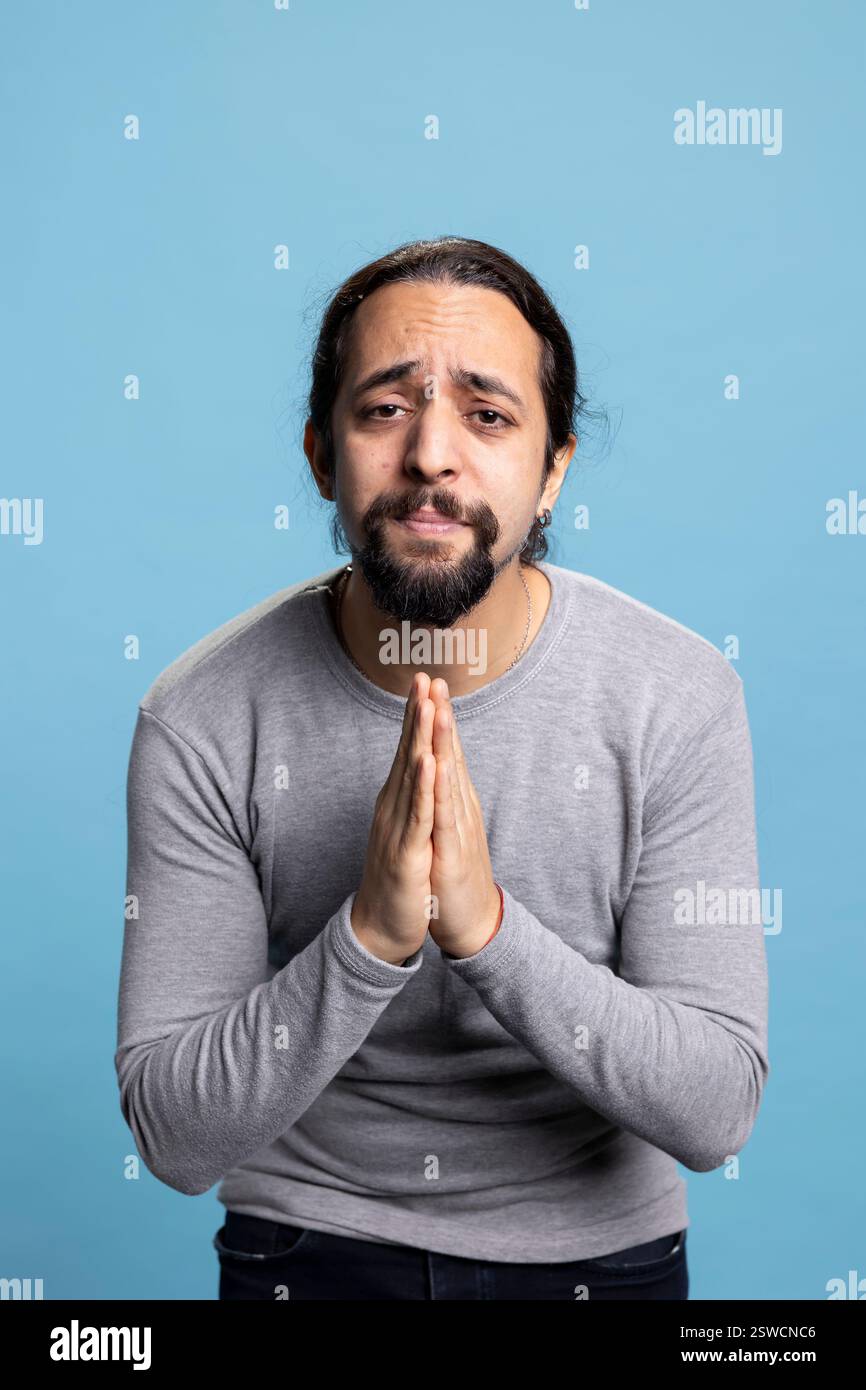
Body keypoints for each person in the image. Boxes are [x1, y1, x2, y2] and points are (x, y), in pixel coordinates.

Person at [115, 236, 769, 1301]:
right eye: (382, 409)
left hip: (599, 1266)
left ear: (553, 464)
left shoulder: (677, 696)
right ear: (321, 455)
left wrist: (489, 932)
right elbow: (178, 1138)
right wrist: (370, 935)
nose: (430, 456)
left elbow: (714, 1110)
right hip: (302, 1253)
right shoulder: (202, 716)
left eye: (487, 413)